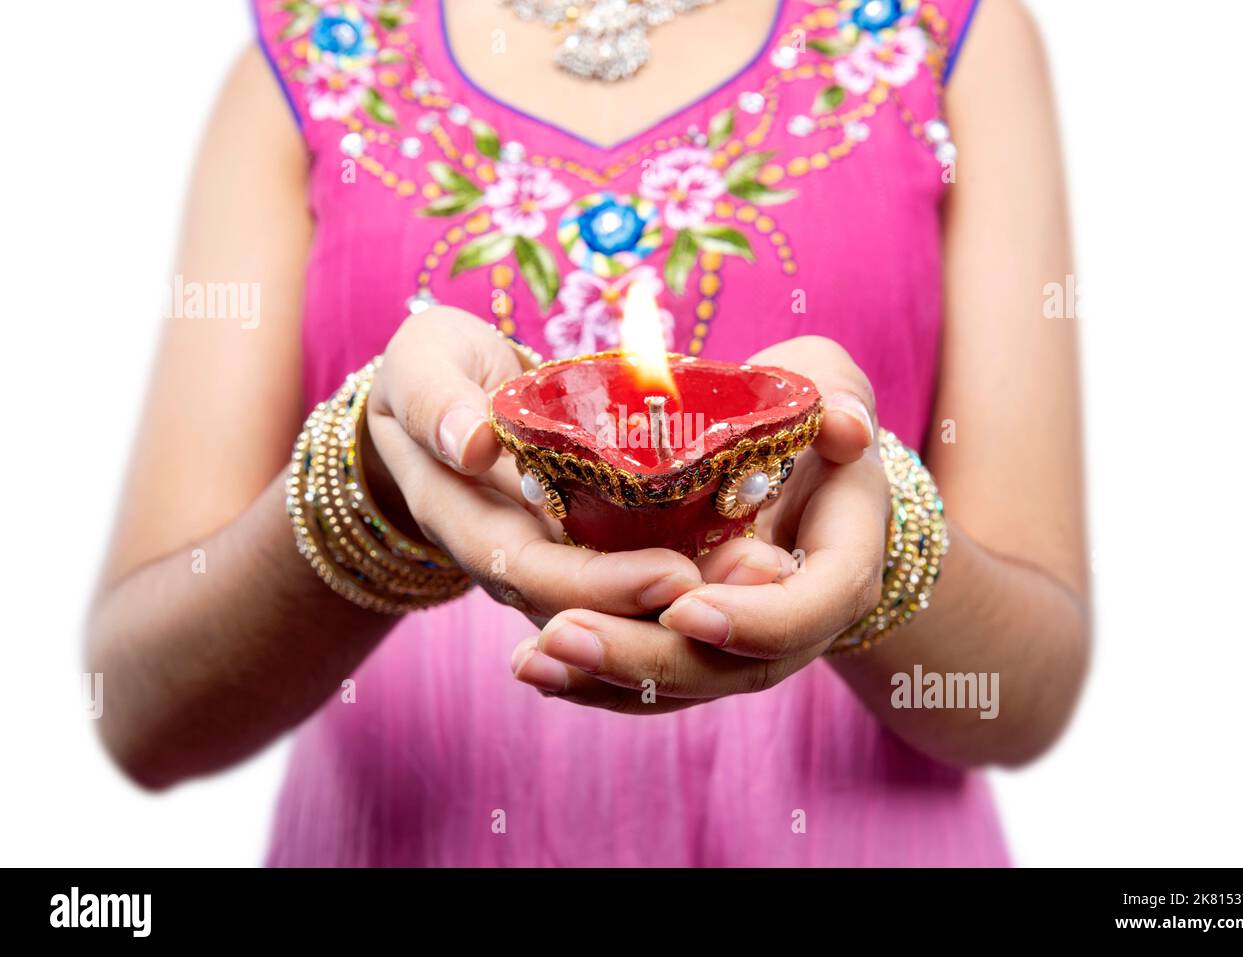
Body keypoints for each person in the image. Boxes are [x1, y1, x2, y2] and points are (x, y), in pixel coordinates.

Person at [88, 0, 1088, 866]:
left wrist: (874, 526)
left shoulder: (940, 38)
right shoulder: (319, 59)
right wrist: (370, 491)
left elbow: (1026, 694)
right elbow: (142, 716)